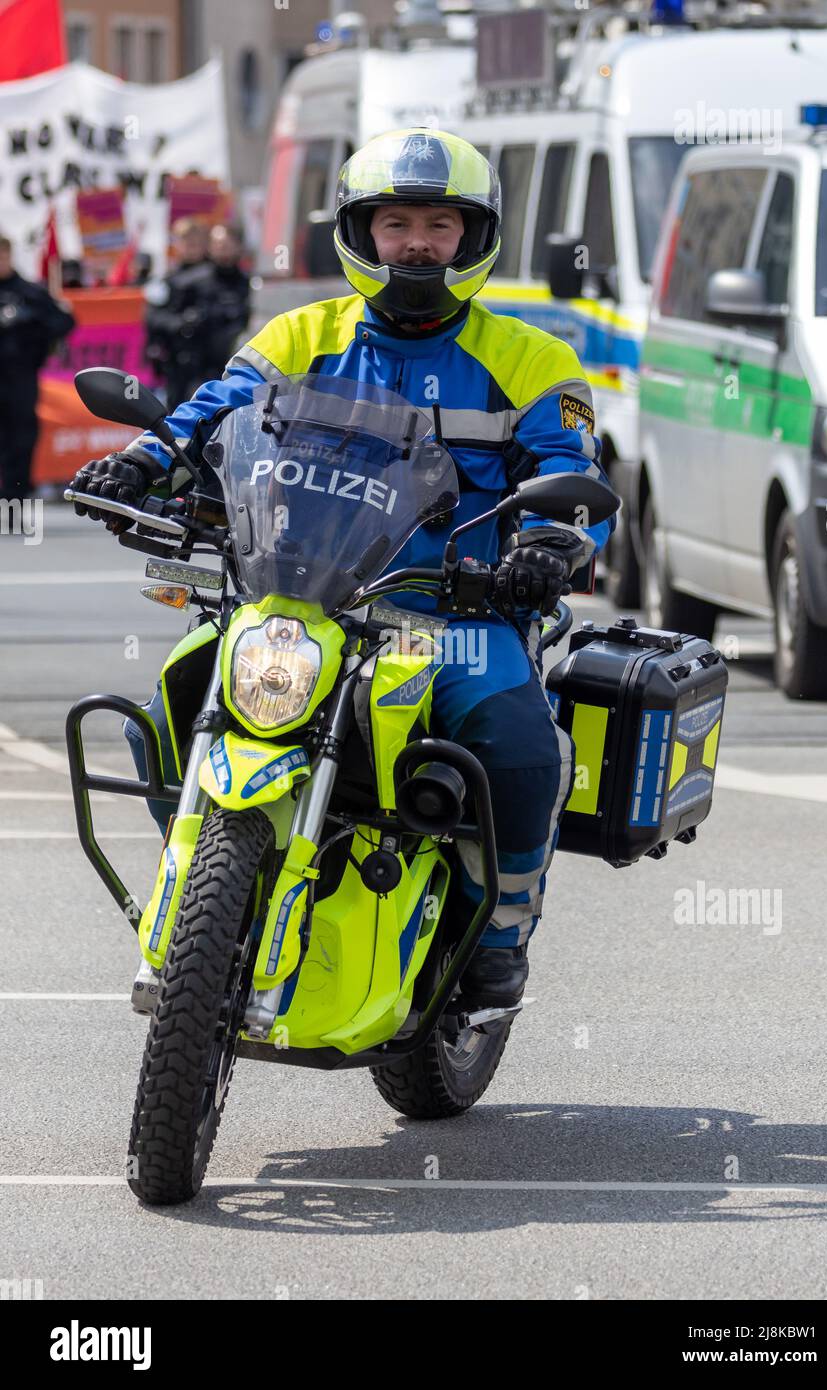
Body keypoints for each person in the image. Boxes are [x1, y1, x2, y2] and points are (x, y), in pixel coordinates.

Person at [69, 129, 615, 1011]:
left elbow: (572, 474)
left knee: (515, 749)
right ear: (359, 234)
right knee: (166, 710)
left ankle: (501, 931)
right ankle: (221, 885)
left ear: (476, 239)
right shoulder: (300, 334)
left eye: (441, 224)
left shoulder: (529, 357)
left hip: (452, 616)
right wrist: (139, 462)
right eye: (395, 222)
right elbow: (210, 415)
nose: (417, 244)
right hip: (297, 595)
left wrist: (547, 543)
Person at [0, 234, 75, 498]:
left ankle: (14, 498)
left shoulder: (29, 292)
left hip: (20, 375)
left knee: (21, 438)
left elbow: (65, 320)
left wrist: (29, 322)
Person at [143, 217, 213, 410]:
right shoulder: (167, 279)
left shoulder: (215, 276)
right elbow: (152, 316)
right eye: (186, 242)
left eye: (195, 243)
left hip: (209, 361)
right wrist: (180, 323)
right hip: (176, 361)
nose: (191, 247)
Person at [206, 224, 251, 370]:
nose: (222, 249)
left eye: (227, 245)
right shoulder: (193, 283)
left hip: (236, 362)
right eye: (218, 244)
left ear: (238, 246)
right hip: (198, 366)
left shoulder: (251, 284)